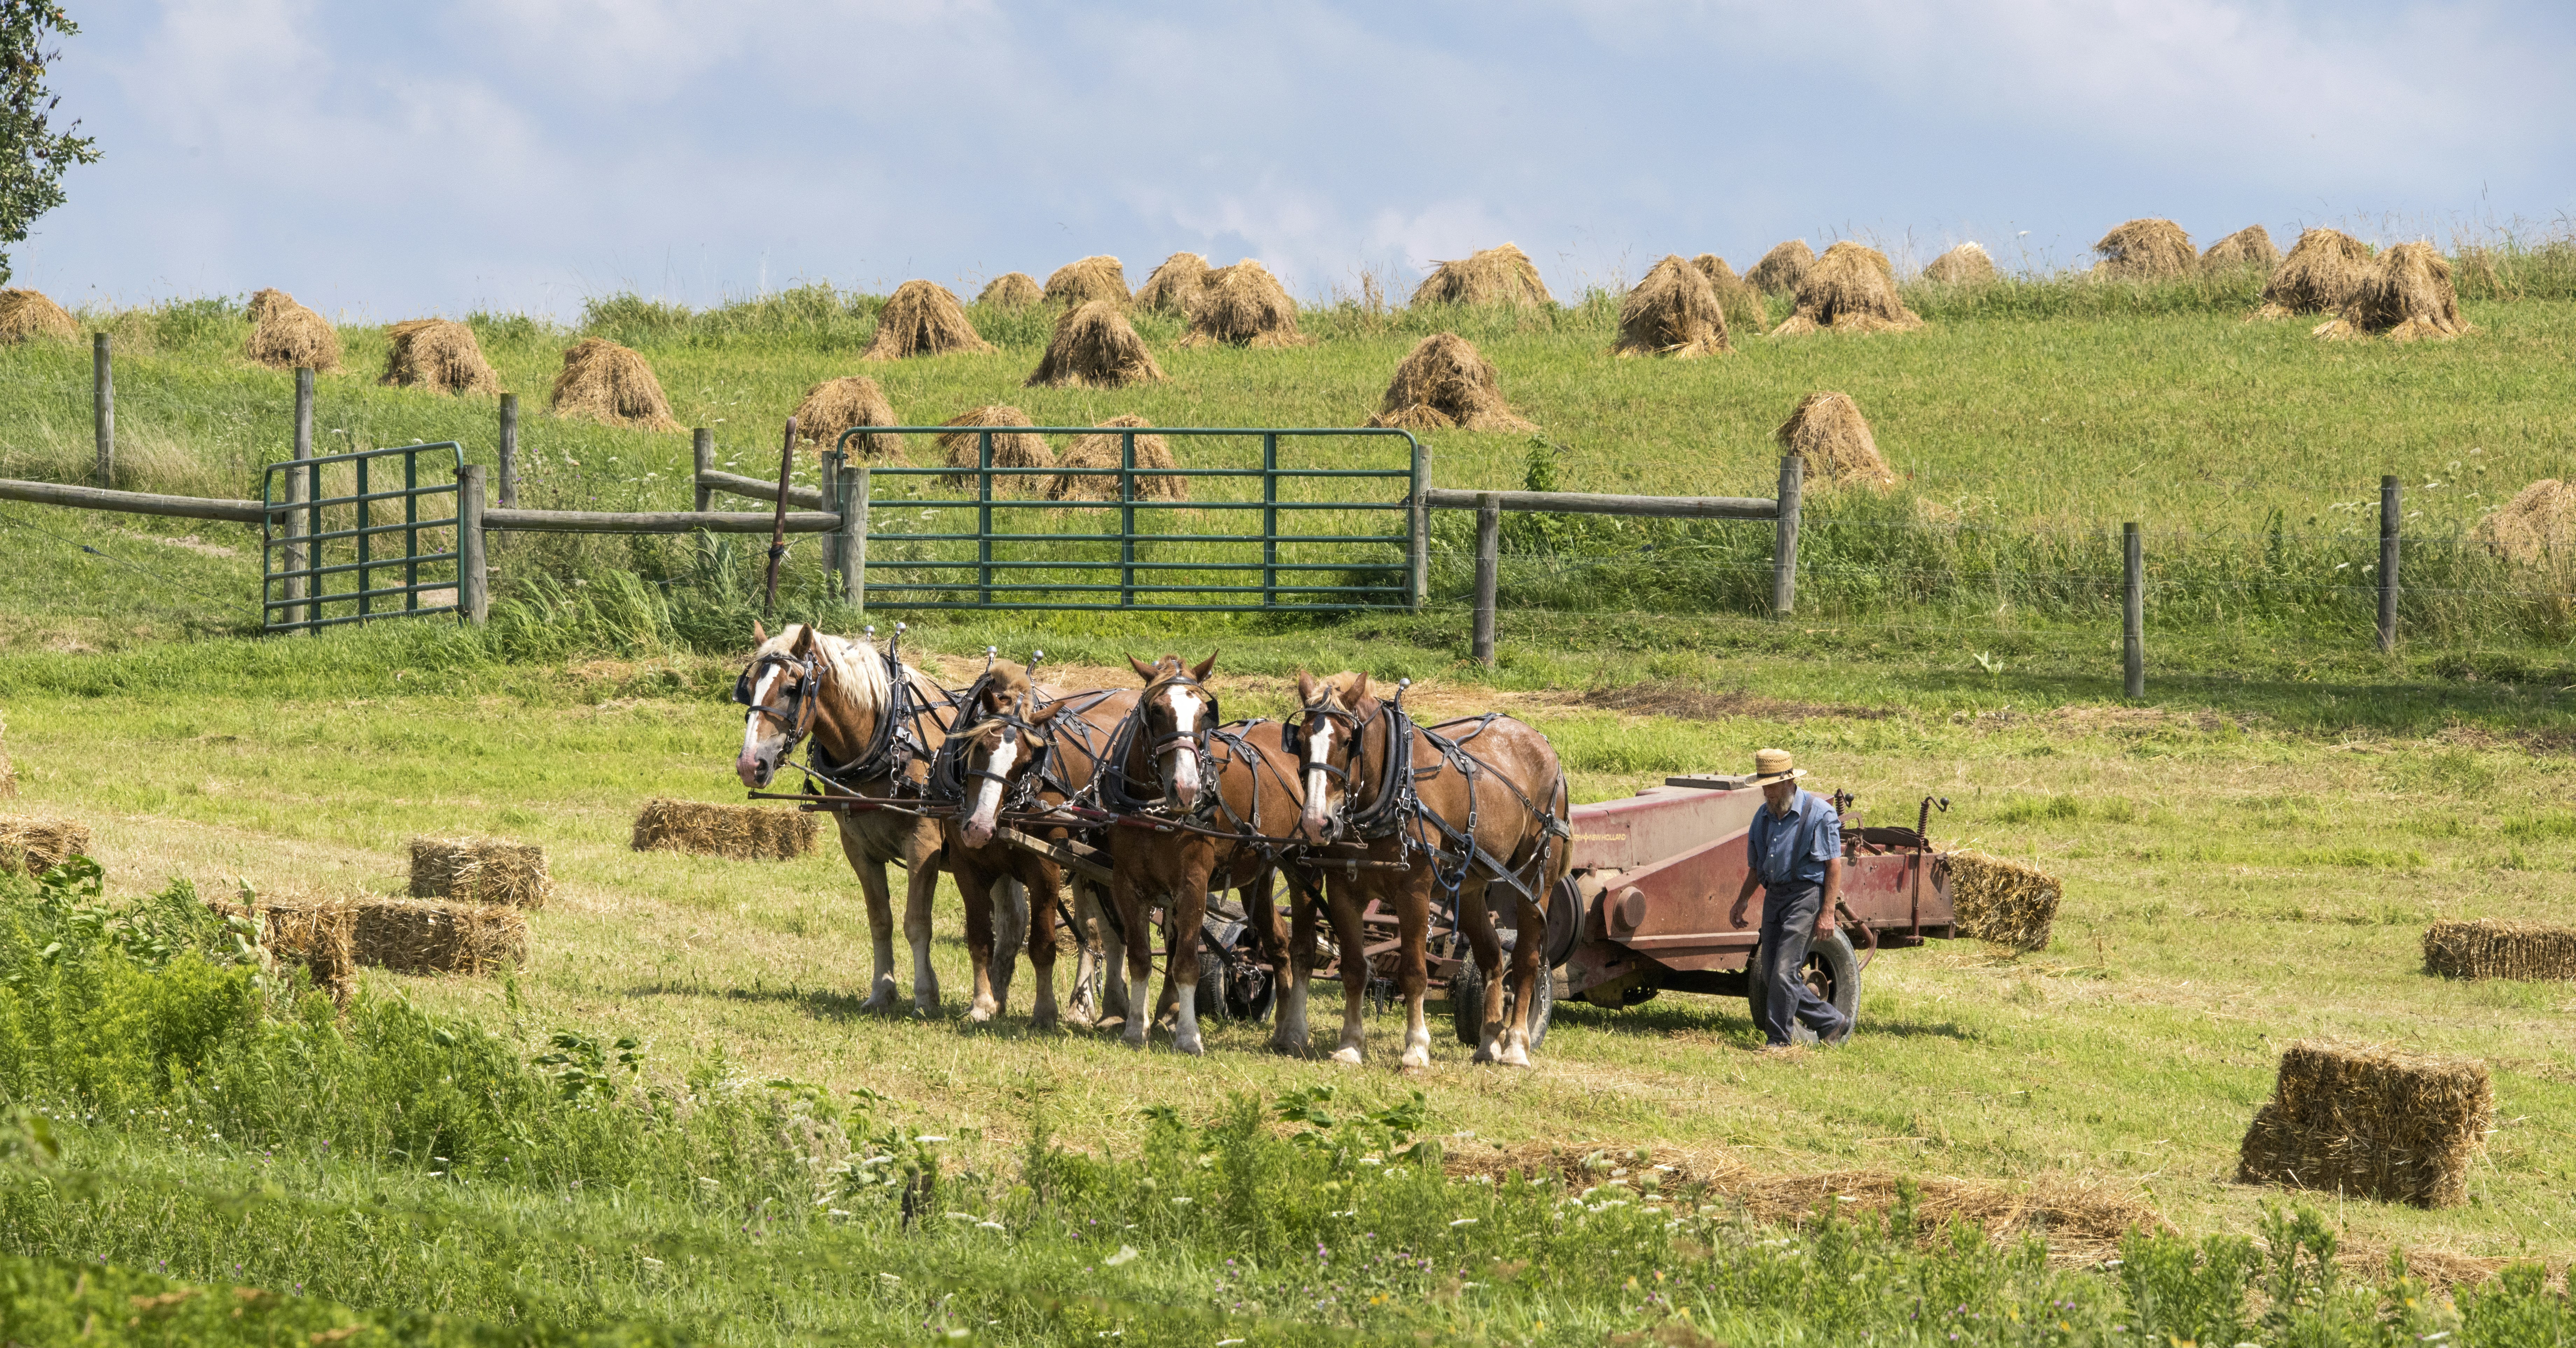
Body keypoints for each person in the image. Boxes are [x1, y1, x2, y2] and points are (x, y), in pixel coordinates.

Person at [1726, 748, 1851, 1050]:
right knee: (1771, 974)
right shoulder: (1763, 817)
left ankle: (1779, 1042)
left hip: (1805, 897)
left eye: (1770, 786)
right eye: (1763, 787)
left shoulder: (1819, 813)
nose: (1766, 793)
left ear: (1787, 782)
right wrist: (1742, 901)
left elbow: (1833, 865)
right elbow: (1757, 869)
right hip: (1775, 897)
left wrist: (1827, 913)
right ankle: (1832, 1022)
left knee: (1785, 971)